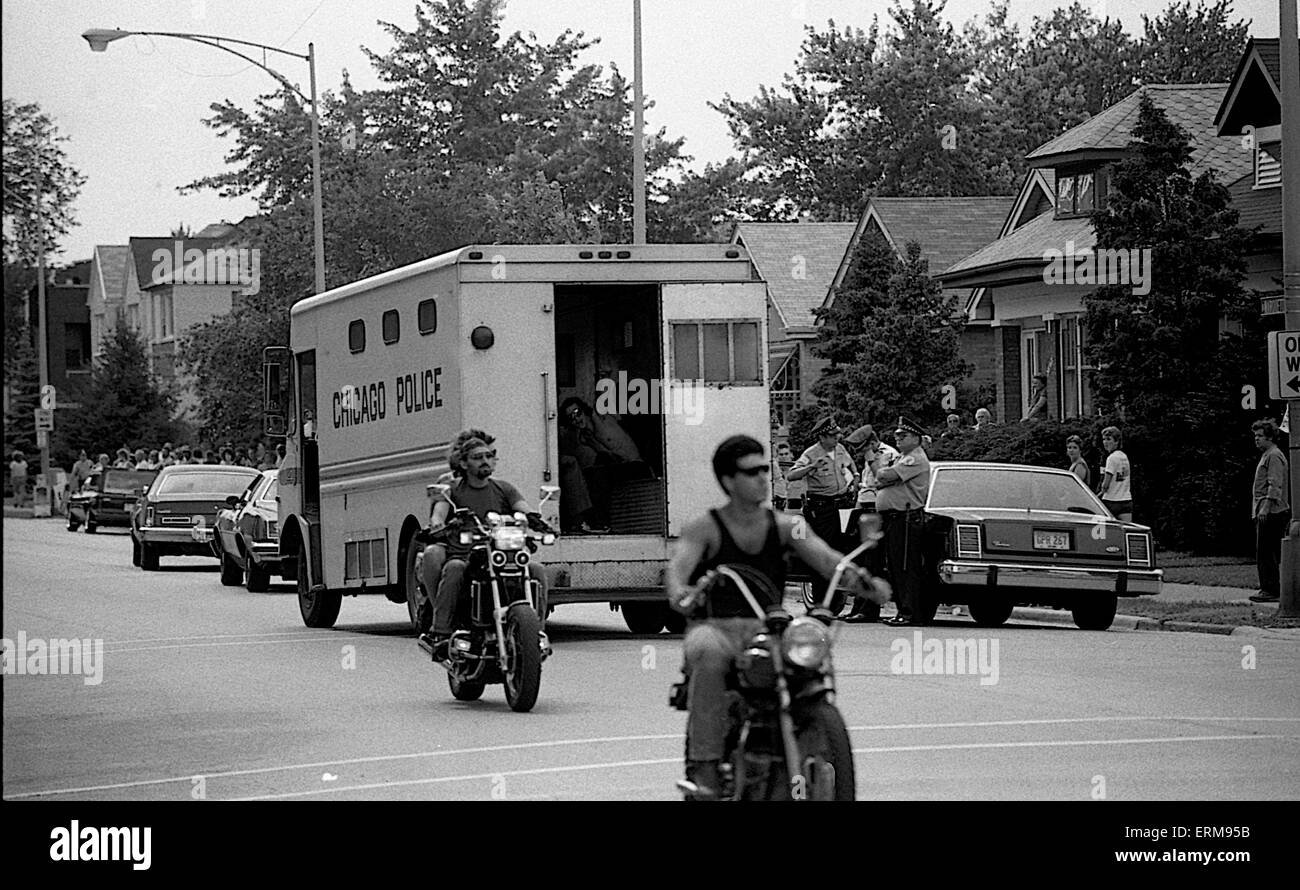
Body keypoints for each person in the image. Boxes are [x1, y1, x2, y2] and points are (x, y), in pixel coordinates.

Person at [665, 434, 890, 797]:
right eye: (751, 471)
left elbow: (825, 557)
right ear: (728, 480)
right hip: (716, 627)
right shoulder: (703, 527)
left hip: (767, 626)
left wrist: (862, 581)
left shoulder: (787, 525)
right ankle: (706, 769)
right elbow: (679, 569)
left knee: (806, 657)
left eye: (764, 469)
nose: (762, 478)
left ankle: (810, 736)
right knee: (707, 654)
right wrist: (682, 594)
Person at [418, 430, 550, 661]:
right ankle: (440, 632)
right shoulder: (452, 489)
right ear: (464, 463)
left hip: (501, 554)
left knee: (536, 570)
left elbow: (523, 508)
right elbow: (439, 514)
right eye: (478, 457)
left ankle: (535, 634)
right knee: (455, 568)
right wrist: (438, 525)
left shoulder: (504, 489)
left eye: (489, 456)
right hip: (465, 554)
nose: (486, 461)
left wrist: (538, 521)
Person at [786, 415, 859, 608]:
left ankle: (835, 600)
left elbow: (849, 465)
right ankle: (820, 602)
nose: (837, 438)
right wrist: (811, 467)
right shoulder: (811, 453)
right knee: (823, 554)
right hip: (822, 508)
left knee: (839, 553)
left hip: (841, 505)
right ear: (822, 437)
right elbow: (792, 475)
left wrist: (856, 476)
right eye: (833, 436)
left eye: (837, 434)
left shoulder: (840, 449)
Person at [870, 416, 932, 627]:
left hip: (905, 518)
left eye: (903, 435)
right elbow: (882, 480)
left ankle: (909, 612)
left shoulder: (914, 458)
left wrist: (879, 469)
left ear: (916, 438)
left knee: (905, 567)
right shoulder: (903, 457)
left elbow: (884, 476)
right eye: (897, 435)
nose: (898, 439)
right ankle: (902, 610)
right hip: (894, 518)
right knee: (896, 566)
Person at [839, 424, 899, 622]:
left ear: (872, 442)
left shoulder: (888, 454)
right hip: (864, 508)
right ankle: (859, 606)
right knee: (861, 561)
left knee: (873, 562)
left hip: (877, 510)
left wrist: (871, 458)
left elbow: (882, 479)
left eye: (865, 448)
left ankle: (869, 610)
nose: (863, 453)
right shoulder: (870, 455)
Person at [1250, 420, 1289, 604]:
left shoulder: (1273, 456)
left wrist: (1265, 508)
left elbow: (1275, 484)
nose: (1256, 440)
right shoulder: (1268, 455)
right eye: (1255, 436)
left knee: (1267, 551)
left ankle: (1271, 589)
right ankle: (1268, 586)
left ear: (1270, 437)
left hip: (1272, 511)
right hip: (1265, 510)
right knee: (1264, 551)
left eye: (1260, 436)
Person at [1097, 426, 1132, 521]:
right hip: (1125, 500)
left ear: (1116, 441)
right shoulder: (1124, 457)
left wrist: (1098, 496)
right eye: (1104, 439)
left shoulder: (1111, 458)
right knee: (1126, 530)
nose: (1105, 442)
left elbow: (1105, 484)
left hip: (1111, 500)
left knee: (1106, 532)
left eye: (1109, 439)